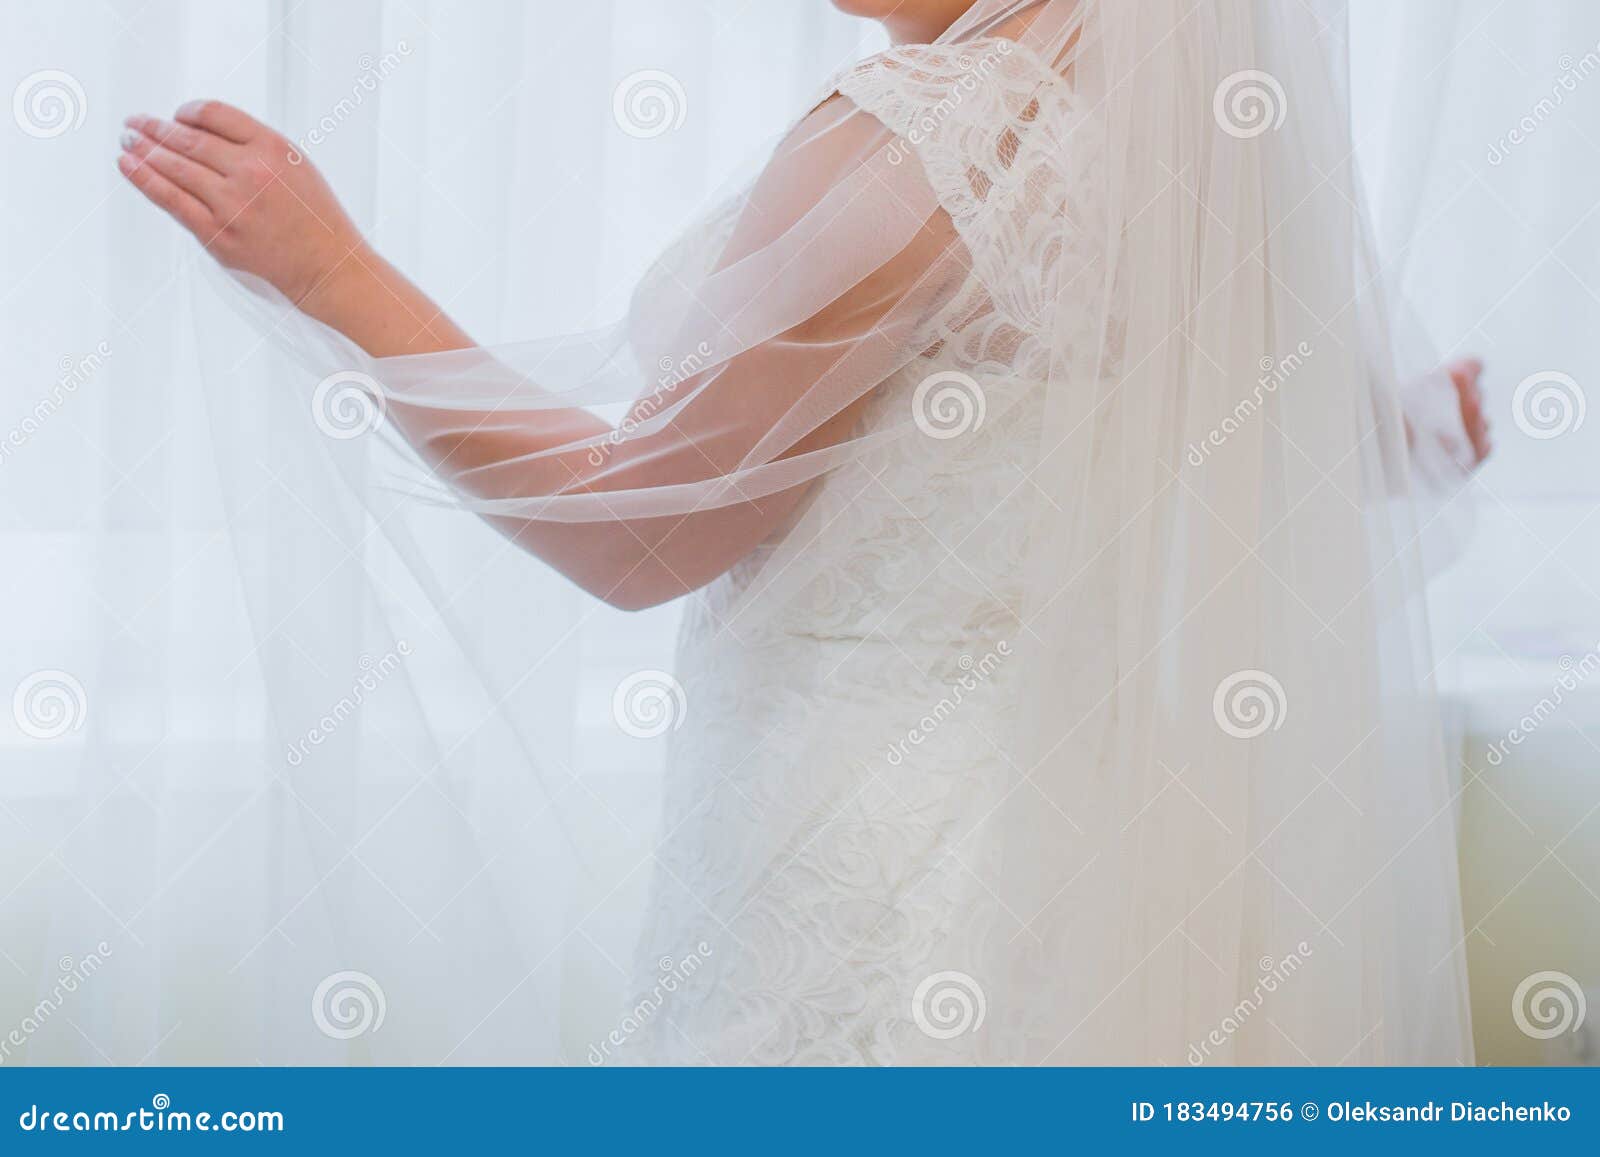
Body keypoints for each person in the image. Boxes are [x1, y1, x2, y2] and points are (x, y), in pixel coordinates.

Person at [119, 0, 1486, 1063]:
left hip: (856, 881)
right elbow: (1257, 414)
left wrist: (331, 270)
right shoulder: (1204, 134)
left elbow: (635, 535)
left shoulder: (925, 134)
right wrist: (1406, 426)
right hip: (1103, 852)